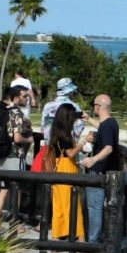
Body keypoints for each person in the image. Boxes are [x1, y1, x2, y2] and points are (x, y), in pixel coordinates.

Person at [46, 103, 91, 240]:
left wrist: (81, 115)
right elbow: (70, 153)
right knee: (73, 203)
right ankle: (80, 237)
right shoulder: (64, 135)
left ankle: (57, 236)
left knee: (59, 204)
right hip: (67, 169)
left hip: (59, 169)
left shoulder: (56, 131)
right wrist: (83, 142)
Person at [80, 94, 120, 243]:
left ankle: (93, 242)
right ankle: (94, 238)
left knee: (94, 208)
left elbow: (109, 148)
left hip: (99, 170)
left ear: (98, 107)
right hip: (104, 170)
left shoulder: (107, 125)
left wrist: (93, 159)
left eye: (94, 105)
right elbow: (102, 129)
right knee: (92, 206)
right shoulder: (110, 123)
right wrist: (88, 119)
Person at [0, 85, 34, 222]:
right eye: (25, 96)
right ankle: (15, 223)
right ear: (16, 98)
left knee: (4, 189)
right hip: (16, 154)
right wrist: (28, 139)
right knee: (17, 189)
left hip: (3, 153)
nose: (27, 98)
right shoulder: (17, 113)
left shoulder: (5, 110)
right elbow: (17, 138)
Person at [41, 77, 83, 143]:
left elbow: (43, 127)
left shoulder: (47, 105)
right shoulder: (74, 106)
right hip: (67, 144)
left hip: (50, 143)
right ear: (69, 91)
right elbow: (78, 128)